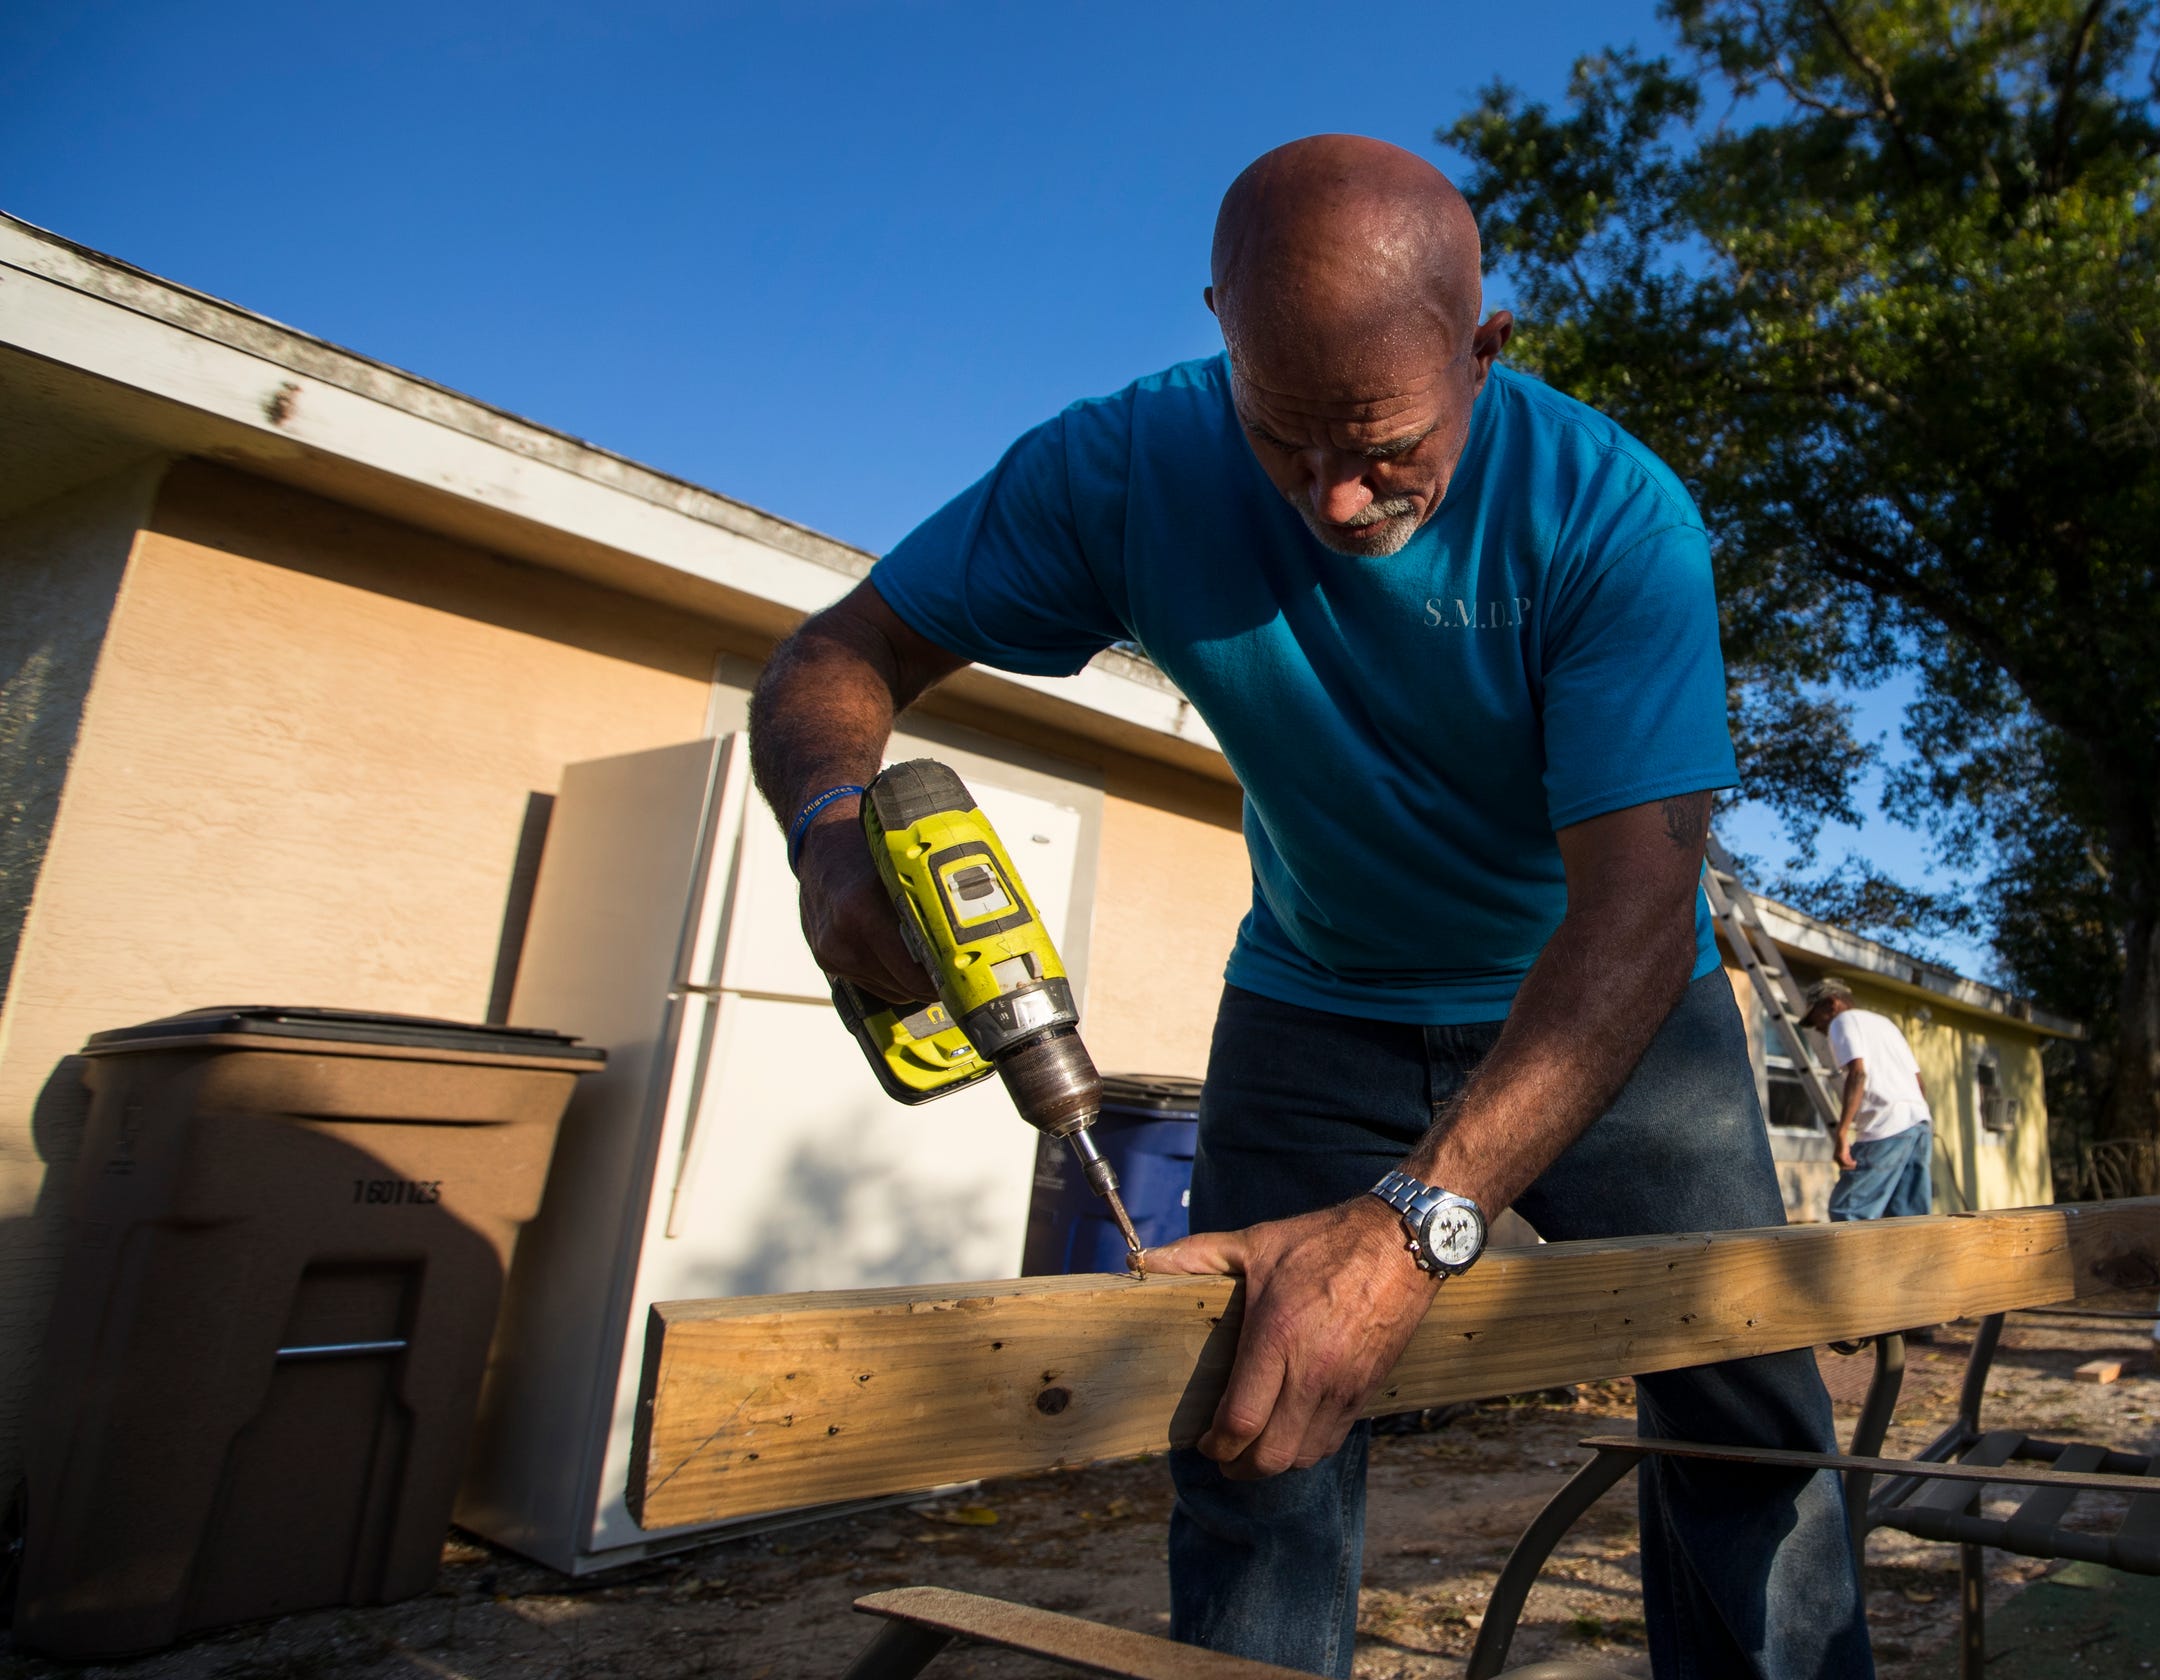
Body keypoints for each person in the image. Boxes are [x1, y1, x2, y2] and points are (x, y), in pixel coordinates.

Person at [748, 135, 1872, 1680]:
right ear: (1220, 324)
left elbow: (1629, 911)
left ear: (1483, 349)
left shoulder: (1614, 519)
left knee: (1747, 1420)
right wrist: (823, 827)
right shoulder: (1125, 466)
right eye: (1283, 438)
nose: (1336, 498)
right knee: (1248, 1425)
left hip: (1613, 1016)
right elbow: (835, 654)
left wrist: (1414, 1229)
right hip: (1314, 1001)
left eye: (1384, 443)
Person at [1804, 979, 1934, 1222]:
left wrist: (1842, 1136)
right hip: (1919, 1123)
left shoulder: (1842, 1021)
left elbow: (1858, 1073)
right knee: (1909, 1221)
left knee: (1848, 1212)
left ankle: (1852, 1263)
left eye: (1816, 1020)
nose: (1818, 1029)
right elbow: (1919, 1083)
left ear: (1832, 1004)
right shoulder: (1885, 1024)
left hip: (1886, 1127)